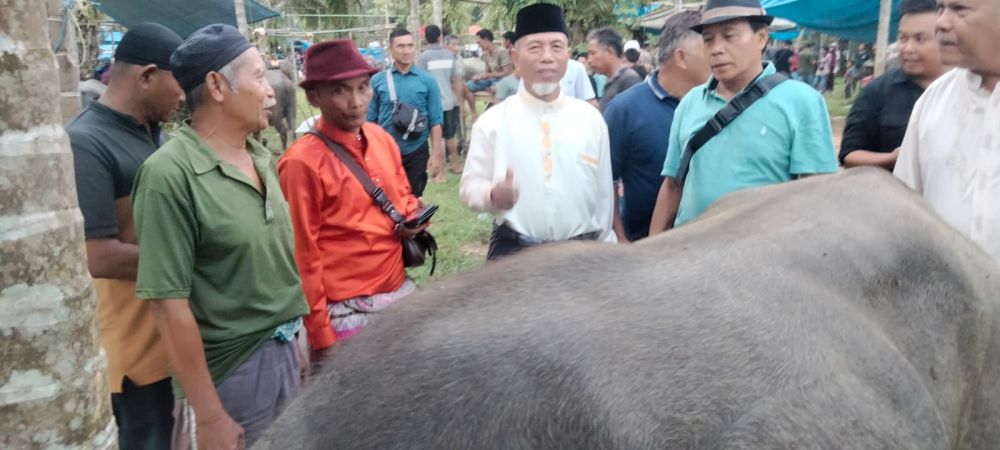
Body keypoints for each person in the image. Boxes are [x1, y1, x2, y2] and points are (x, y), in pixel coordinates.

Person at [131, 24, 309, 448]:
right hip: (230, 375)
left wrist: (294, 338)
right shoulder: (168, 176)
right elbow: (167, 307)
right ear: (216, 85)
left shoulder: (261, 157)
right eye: (260, 77)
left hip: (283, 351)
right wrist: (210, 417)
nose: (271, 92)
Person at [66, 22, 183, 450]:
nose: (185, 95)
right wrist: (192, 255)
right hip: (135, 353)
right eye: (179, 83)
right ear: (147, 76)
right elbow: (97, 256)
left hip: (174, 338)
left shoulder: (154, 135)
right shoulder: (86, 143)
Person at [278, 39, 425, 360]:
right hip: (344, 313)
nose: (356, 101)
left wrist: (412, 218)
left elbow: (404, 198)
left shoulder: (381, 139)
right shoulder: (301, 163)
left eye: (363, 87)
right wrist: (321, 335)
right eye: (340, 91)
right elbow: (303, 256)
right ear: (313, 96)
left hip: (396, 294)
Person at [648, 0, 838, 234]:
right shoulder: (691, 102)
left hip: (760, 261)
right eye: (708, 39)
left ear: (761, 37)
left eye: (729, 36)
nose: (716, 49)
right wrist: (652, 250)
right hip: (690, 256)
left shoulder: (802, 102)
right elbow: (672, 185)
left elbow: (817, 198)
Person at [460, 3, 616, 261]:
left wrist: (606, 249)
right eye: (535, 47)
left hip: (582, 254)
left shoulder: (590, 120)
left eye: (556, 46)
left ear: (567, 54)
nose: (547, 56)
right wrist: (492, 195)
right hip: (514, 254)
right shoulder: (493, 122)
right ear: (515, 57)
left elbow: (603, 197)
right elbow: (469, 187)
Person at [894, 0, 1000, 261]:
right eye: (941, 8)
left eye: (959, 9)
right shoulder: (933, 101)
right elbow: (901, 213)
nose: (940, 22)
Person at [603, 10, 710, 242]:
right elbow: (605, 181)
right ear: (681, 58)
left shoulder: (719, 105)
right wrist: (620, 239)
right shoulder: (625, 109)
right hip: (642, 244)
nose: (719, 54)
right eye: (709, 46)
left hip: (707, 245)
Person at [840, 0, 948, 170]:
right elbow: (849, 155)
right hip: (891, 193)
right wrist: (895, 158)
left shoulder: (969, 90)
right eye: (903, 38)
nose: (908, 48)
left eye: (920, 39)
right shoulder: (876, 92)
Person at [368, 27, 443, 197]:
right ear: (390, 49)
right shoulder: (377, 81)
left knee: (415, 200)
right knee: (388, 201)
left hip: (417, 150)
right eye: (401, 46)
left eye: (410, 46)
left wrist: (437, 154)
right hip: (385, 152)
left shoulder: (428, 81)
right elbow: (369, 121)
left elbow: (436, 120)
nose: (406, 51)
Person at [417, 25, 465, 181]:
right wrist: (461, 102)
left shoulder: (423, 57)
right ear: (440, 38)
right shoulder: (450, 56)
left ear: (426, 38)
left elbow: (421, 82)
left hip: (433, 104)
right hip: (450, 102)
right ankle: (456, 165)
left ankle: (441, 174)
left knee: (436, 139)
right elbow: (456, 81)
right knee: (450, 136)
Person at [463, 29, 514, 121]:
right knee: (466, 87)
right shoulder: (486, 54)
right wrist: (479, 77)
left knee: (495, 89)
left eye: (479, 42)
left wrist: (489, 75)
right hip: (491, 80)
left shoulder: (501, 52)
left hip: (503, 80)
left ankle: (498, 117)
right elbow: (487, 72)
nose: (478, 45)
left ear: (486, 39)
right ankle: (474, 114)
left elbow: (508, 73)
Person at [588, 27, 643, 111]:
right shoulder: (612, 81)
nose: (589, 60)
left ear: (610, 51)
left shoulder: (629, 81)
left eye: (593, 53)